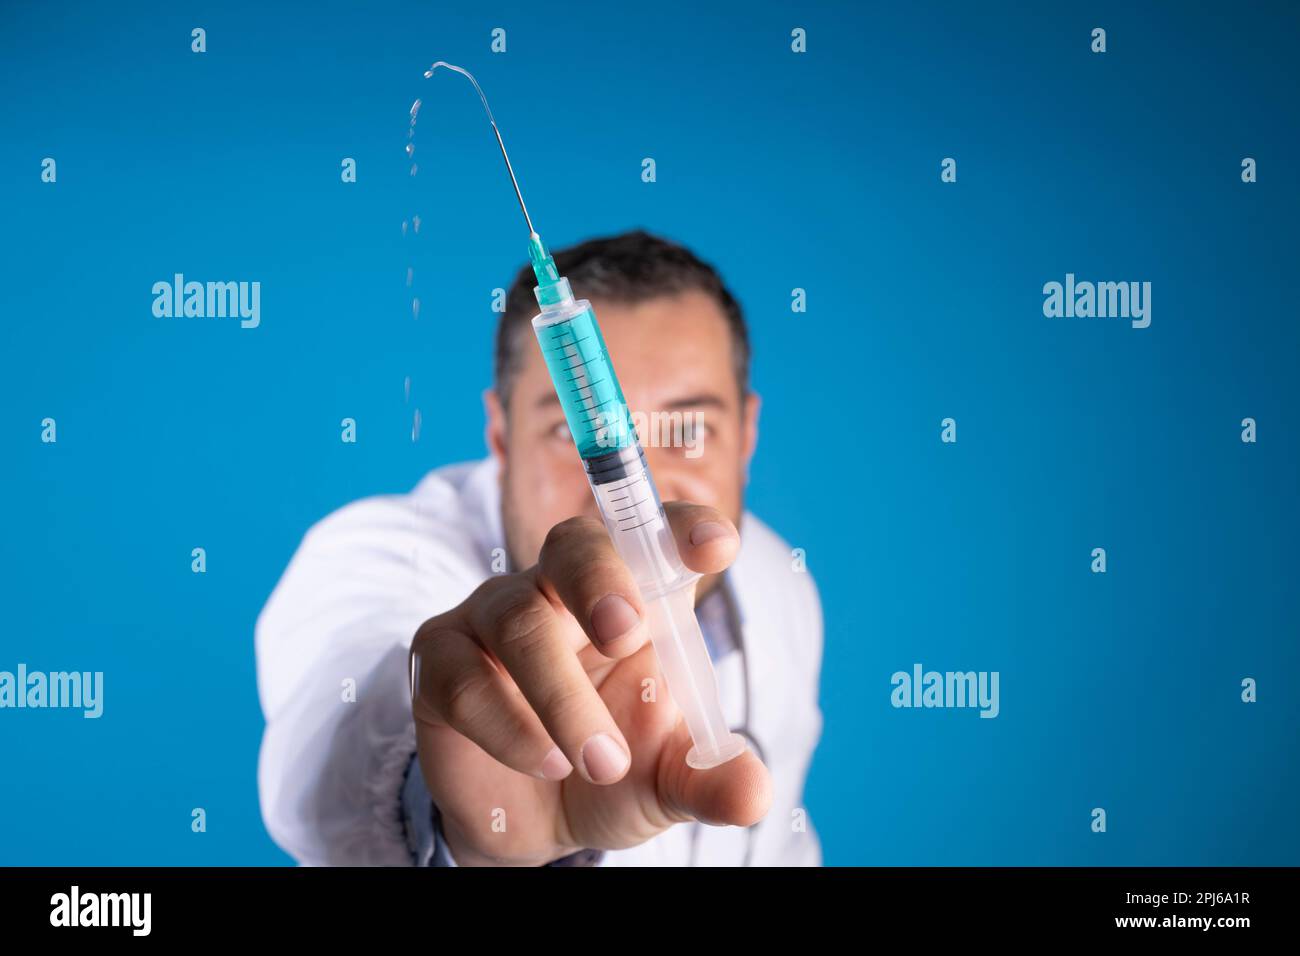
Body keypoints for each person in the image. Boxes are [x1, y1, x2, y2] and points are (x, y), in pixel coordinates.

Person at [255, 230, 824, 866]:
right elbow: (326, 770)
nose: (650, 480)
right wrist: (463, 821)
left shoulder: (778, 580)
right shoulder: (374, 555)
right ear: (500, 435)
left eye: (687, 428)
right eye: (567, 427)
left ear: (747, 434)